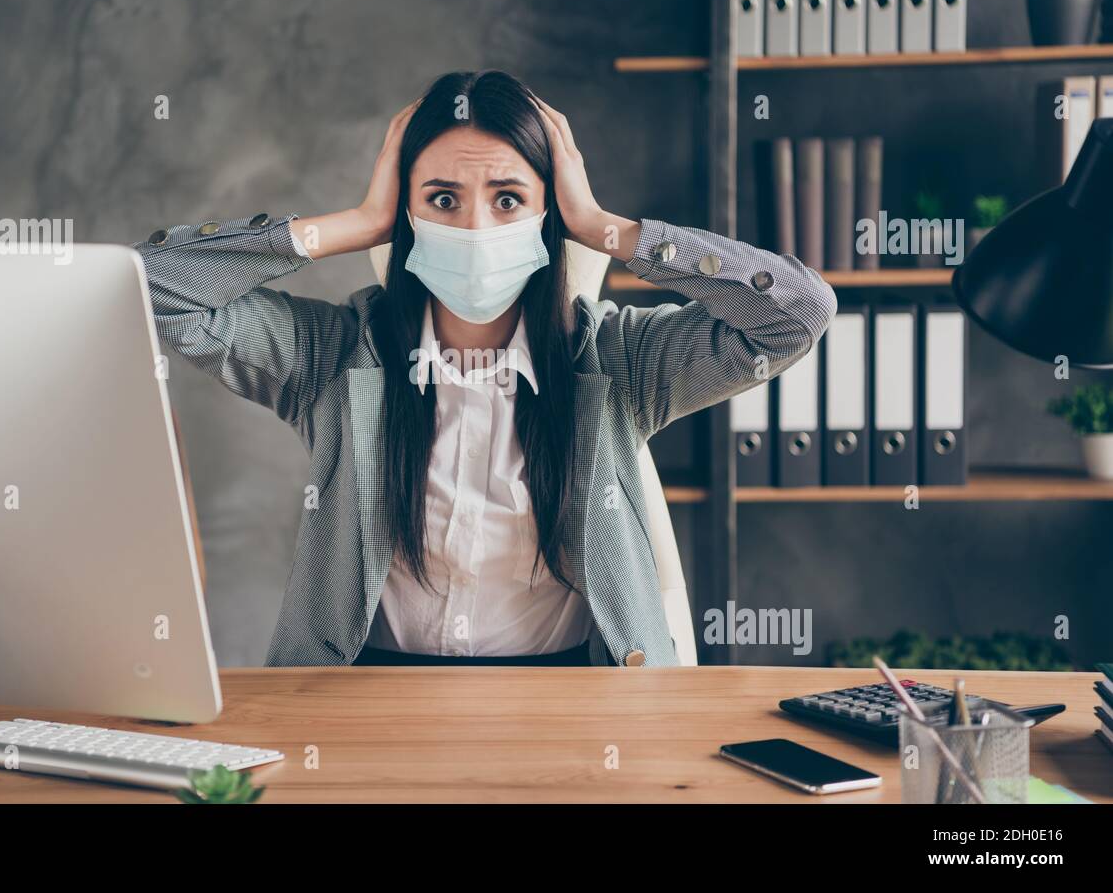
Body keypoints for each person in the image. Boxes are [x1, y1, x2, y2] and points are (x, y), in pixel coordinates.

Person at [133, 69, 836, 667]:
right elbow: (148, 286)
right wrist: (354, 223)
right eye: (442, 199)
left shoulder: (622, 360)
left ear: (547, 213)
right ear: (408, 213)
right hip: (364, 694)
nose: (475, 227)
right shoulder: (329, 355)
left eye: (508, 199)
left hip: (568, 697)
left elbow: (797, 312)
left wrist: (604, 228)